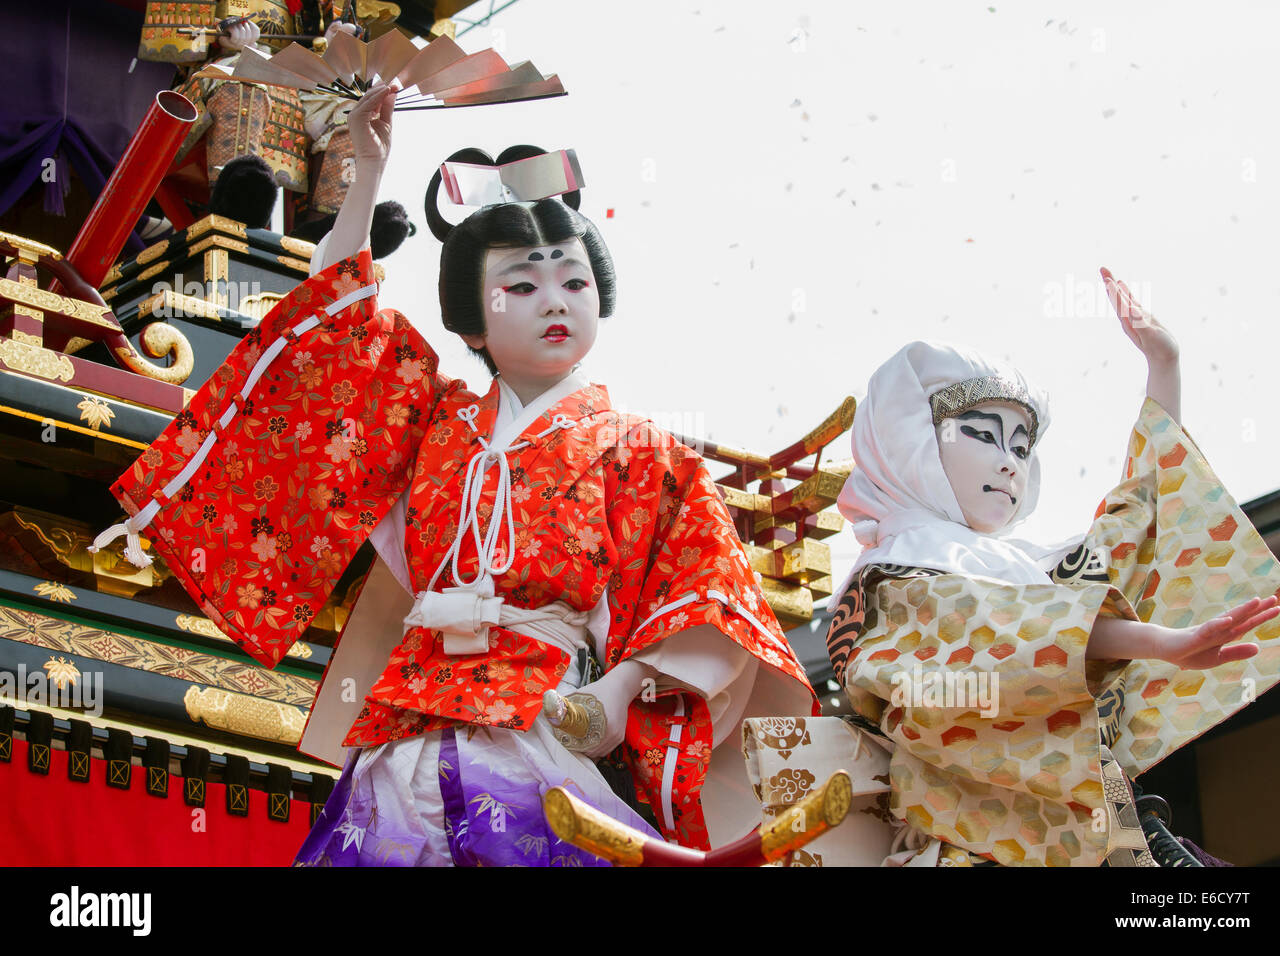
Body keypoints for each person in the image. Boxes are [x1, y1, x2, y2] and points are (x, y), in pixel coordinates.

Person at [92, 82, 816, 866]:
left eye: (573, 281)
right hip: (406, 724)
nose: (555, 301)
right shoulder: (435, 420)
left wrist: (614, 697)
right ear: (471, 317)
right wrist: (367, 172)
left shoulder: (643, 451)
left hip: (547, 720)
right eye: (522, 284)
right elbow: (331, 321)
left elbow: (709, 595)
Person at [744, 272, 1280, 866]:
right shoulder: (890, 581)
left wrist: (1165, 367)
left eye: (1022, 447)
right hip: (987, 847)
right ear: (908, 441)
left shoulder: (1026, 569)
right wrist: (1158, 641)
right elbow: (1005, 638)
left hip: (1114, 839)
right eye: (983, 434)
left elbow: (1140, 519)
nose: (1010, 464)